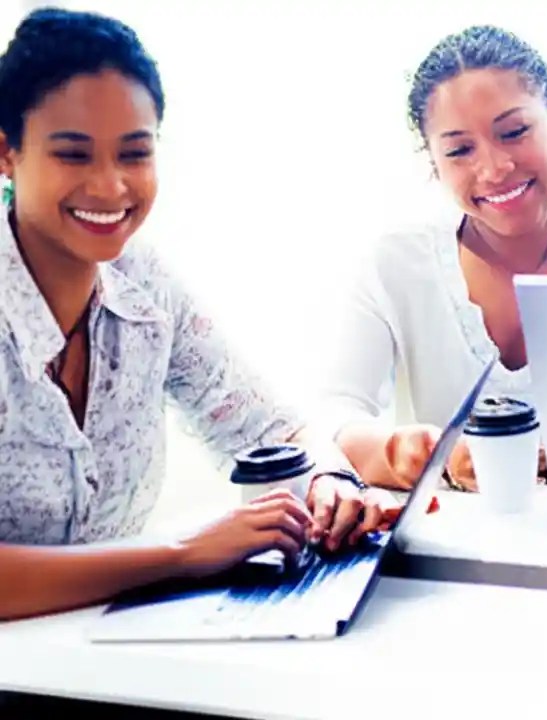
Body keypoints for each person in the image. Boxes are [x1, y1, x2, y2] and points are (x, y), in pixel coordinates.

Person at [0, 8, 397, 621]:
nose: (109, 186)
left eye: (134, 153)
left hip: (101, 649)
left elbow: (272, 428)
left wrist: (333, 482)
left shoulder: (143, 284)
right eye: (73, 155)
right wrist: (182, 554)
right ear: (6, 152)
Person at [320, 25, 547, 493]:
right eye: (459, 150)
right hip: (451, 536)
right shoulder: (397, 264)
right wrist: (417, 454)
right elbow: (335, 413)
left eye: (514, 132)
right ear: (435, 163)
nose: (493, 168)